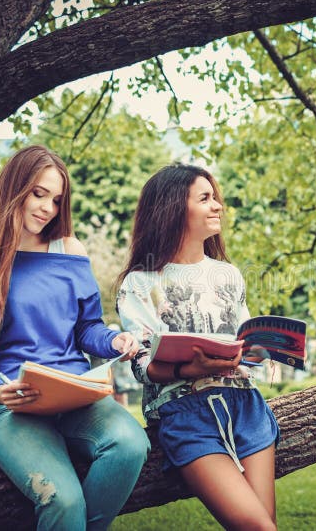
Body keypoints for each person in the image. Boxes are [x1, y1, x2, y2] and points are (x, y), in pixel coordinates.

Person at [0, 145, 150, 531]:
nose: (48, 208)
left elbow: (88, 328)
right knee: (63, 499)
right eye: (39, 194)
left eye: (56, 199)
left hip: (76, 395)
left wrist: (115, 341)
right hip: (16, 405)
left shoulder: (69, 250)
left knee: (131, 445)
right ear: (13, 189)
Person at [117, 164, 280, 531]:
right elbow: (143, 366)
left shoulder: (228, 274)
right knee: (259, 527)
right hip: (185, 412)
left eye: (215, 197)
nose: (217, 205)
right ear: (174, 207)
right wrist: (191, 369)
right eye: (205, 198)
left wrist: (258, 352)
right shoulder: (140, 283)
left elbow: (244, 342)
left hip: (246, 404)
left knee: (264, 522)